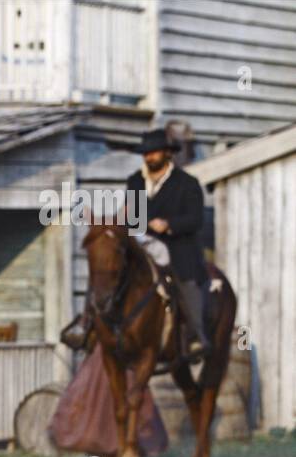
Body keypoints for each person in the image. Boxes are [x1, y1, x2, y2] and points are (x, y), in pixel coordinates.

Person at [61, 128, 211, 359]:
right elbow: (129, 212)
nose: (149, 157)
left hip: (174, 244)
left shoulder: (187, 183)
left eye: (153, 152)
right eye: (146, 153)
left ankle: (194, 335)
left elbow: (196, 218)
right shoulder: (135, 180)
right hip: (140, 238)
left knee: (186, 280)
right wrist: (110, 222)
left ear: (166, 153)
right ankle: (86, 324)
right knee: (107, 267)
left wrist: (169, 223)